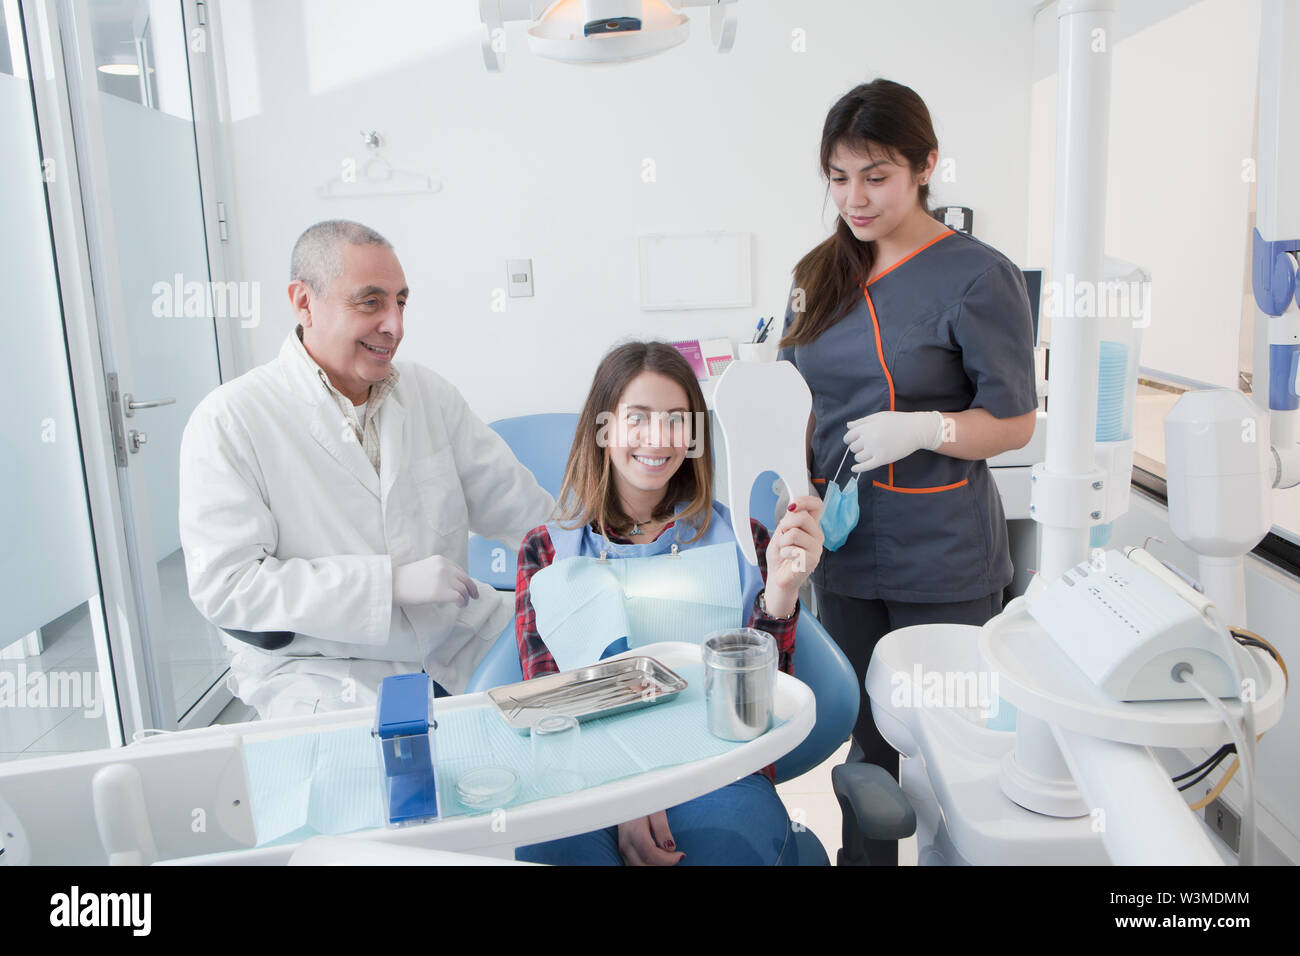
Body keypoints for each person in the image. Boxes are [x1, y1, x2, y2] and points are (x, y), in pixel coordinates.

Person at [778, 79, 1037, 860]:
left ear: (926, 165)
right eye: (838, 176)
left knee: (949, 749)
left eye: (876, 175)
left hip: (944, 552)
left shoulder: (977, 275)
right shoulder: (818, 270)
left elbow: (1016, 419)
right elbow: (803, 397)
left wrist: (926, 426)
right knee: (869, 746)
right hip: (848, 548)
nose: (854, 198)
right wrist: (802, 492)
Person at [178, 220, 554, 718]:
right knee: (372, 784)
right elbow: (228, 587)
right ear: (303, 302)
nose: (395, 325)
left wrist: (595, 552)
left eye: (401, 301)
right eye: (370, 302)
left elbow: (519, 505)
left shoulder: (427, 394)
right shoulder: (232, 419)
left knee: (567, 712)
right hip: (325, 666)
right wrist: (388, 585)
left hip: (458, 637)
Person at [512, 341, 824, 865]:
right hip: (591, 782)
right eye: (638, 418)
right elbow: (553, 710)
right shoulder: (547, 551)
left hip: (719, 772)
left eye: (678, 420)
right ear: (604, 427)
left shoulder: (747, 540)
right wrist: (630, 798)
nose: (658, 438)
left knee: (735, 840)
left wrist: (784, 591)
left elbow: (757, 707)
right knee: (557, 850)